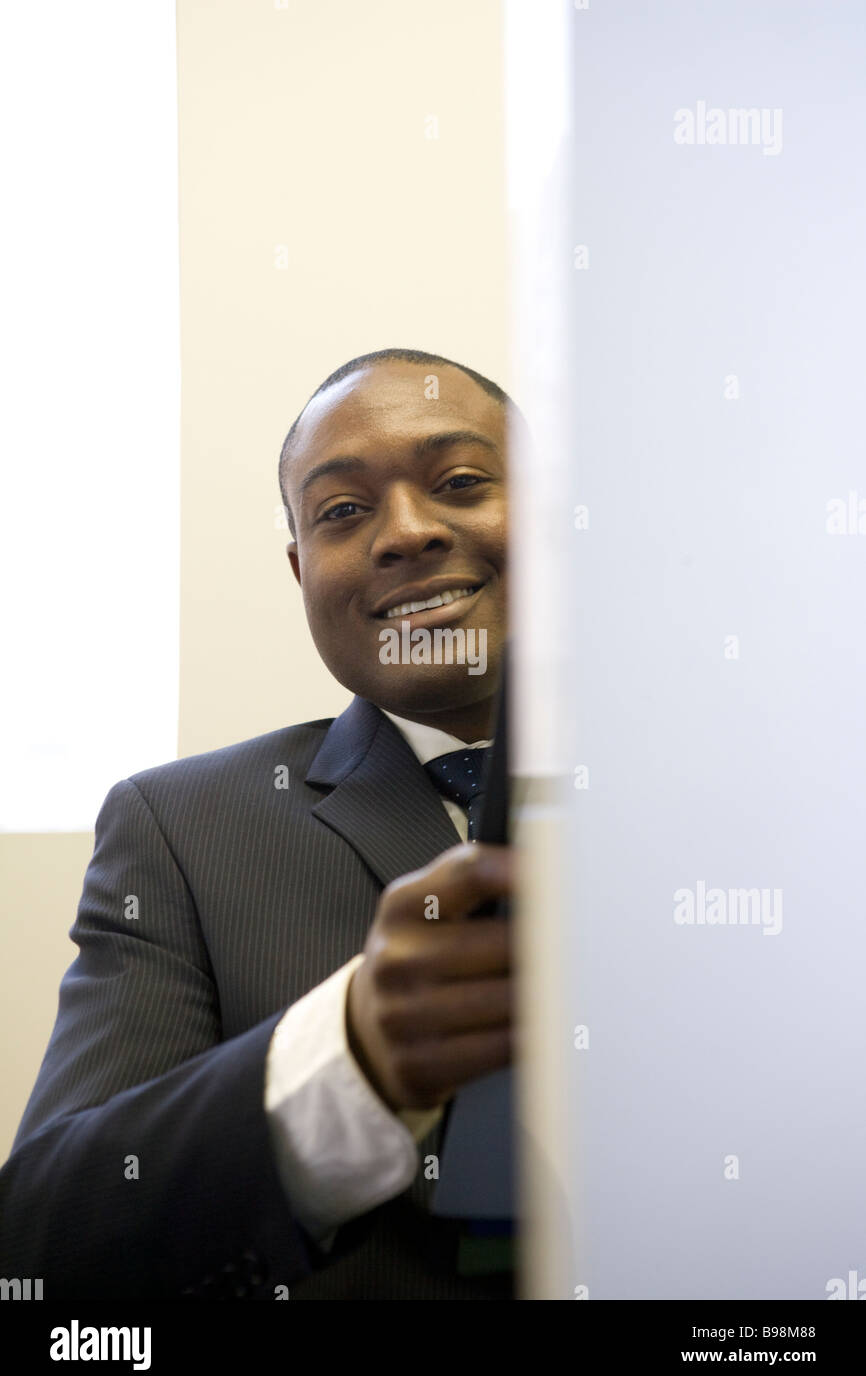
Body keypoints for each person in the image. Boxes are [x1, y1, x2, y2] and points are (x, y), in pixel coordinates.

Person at [0, 347, 518, 1300]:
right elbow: (44, 1256)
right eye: (343, 512)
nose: (404, 532)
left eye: (459, 482)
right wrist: (349, 1058)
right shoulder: (184, 830)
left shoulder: (748, 795)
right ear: (300, 569)